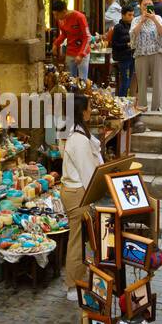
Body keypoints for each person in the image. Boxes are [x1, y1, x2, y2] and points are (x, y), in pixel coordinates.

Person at [60, 95, 103, 296]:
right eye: (89, 106)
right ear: (81, 111)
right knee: (77, 240)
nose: (91, 110)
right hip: (77, 193)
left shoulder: (75, 133)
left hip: (75, 192)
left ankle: (82, 277)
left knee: (82, 237)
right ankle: (73, 284)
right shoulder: (78, 139)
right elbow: (88, 172)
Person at [130, 0, 162, 111]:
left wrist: (154, 19)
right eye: (144, 4)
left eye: (149, 4)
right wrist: (142, 21)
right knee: (142, 82)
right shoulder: (136, 20)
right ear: (140, 6)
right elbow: (133, 34)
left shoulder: (158, 18)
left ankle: (156, 107)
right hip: (141, 54)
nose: (147, 6)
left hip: (156, 52)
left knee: (157, 82)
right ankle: (142, 106)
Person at [52, 0, 92, 82]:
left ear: (64, 11)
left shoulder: (79, 17)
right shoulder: (61, 20)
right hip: (70, 53)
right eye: (54, 15)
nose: (56, 18)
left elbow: (87, 37)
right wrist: (56, 44)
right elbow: (64, 34)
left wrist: (81, 55)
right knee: (69, 81)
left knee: (82, 82)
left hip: (82, 53)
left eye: (57, 15)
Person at [109, 3, 135, 97]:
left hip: (132, 56)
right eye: (129, 15)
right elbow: (115, 44)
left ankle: (124, 101)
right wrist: (127, 45)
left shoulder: (132, 26)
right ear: (123, 15)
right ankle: (121, 101)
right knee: (125, 81)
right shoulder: (118, 27)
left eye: (133, 15)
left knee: (128, 80)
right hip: (123, 58)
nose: (131, 17)